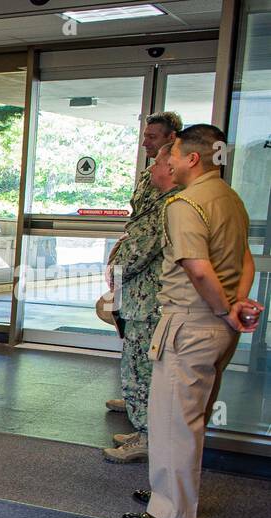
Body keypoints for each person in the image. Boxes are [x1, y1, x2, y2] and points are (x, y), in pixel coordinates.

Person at [123, 124, 263, 518]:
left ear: (192, 158)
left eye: (173, 154)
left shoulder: (186, 204)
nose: (166, 161)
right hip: (218, 329)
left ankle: (172, 511)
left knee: (173, 420)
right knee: (190, 417)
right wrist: (236, 305)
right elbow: (247, 260)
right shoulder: (230, 199)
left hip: (192, 324)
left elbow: (197, 269)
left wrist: (223, 310)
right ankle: (172, 491)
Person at [103, 138, 181, 463]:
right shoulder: (161, 205)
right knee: (136, 368)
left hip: (148, 303)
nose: (151, 170)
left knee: (142, 372)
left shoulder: (168, 207)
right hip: (140, 300)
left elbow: (139, 251)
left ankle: (149, 437)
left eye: (158, 164)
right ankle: (144, 432)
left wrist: (115, 268)